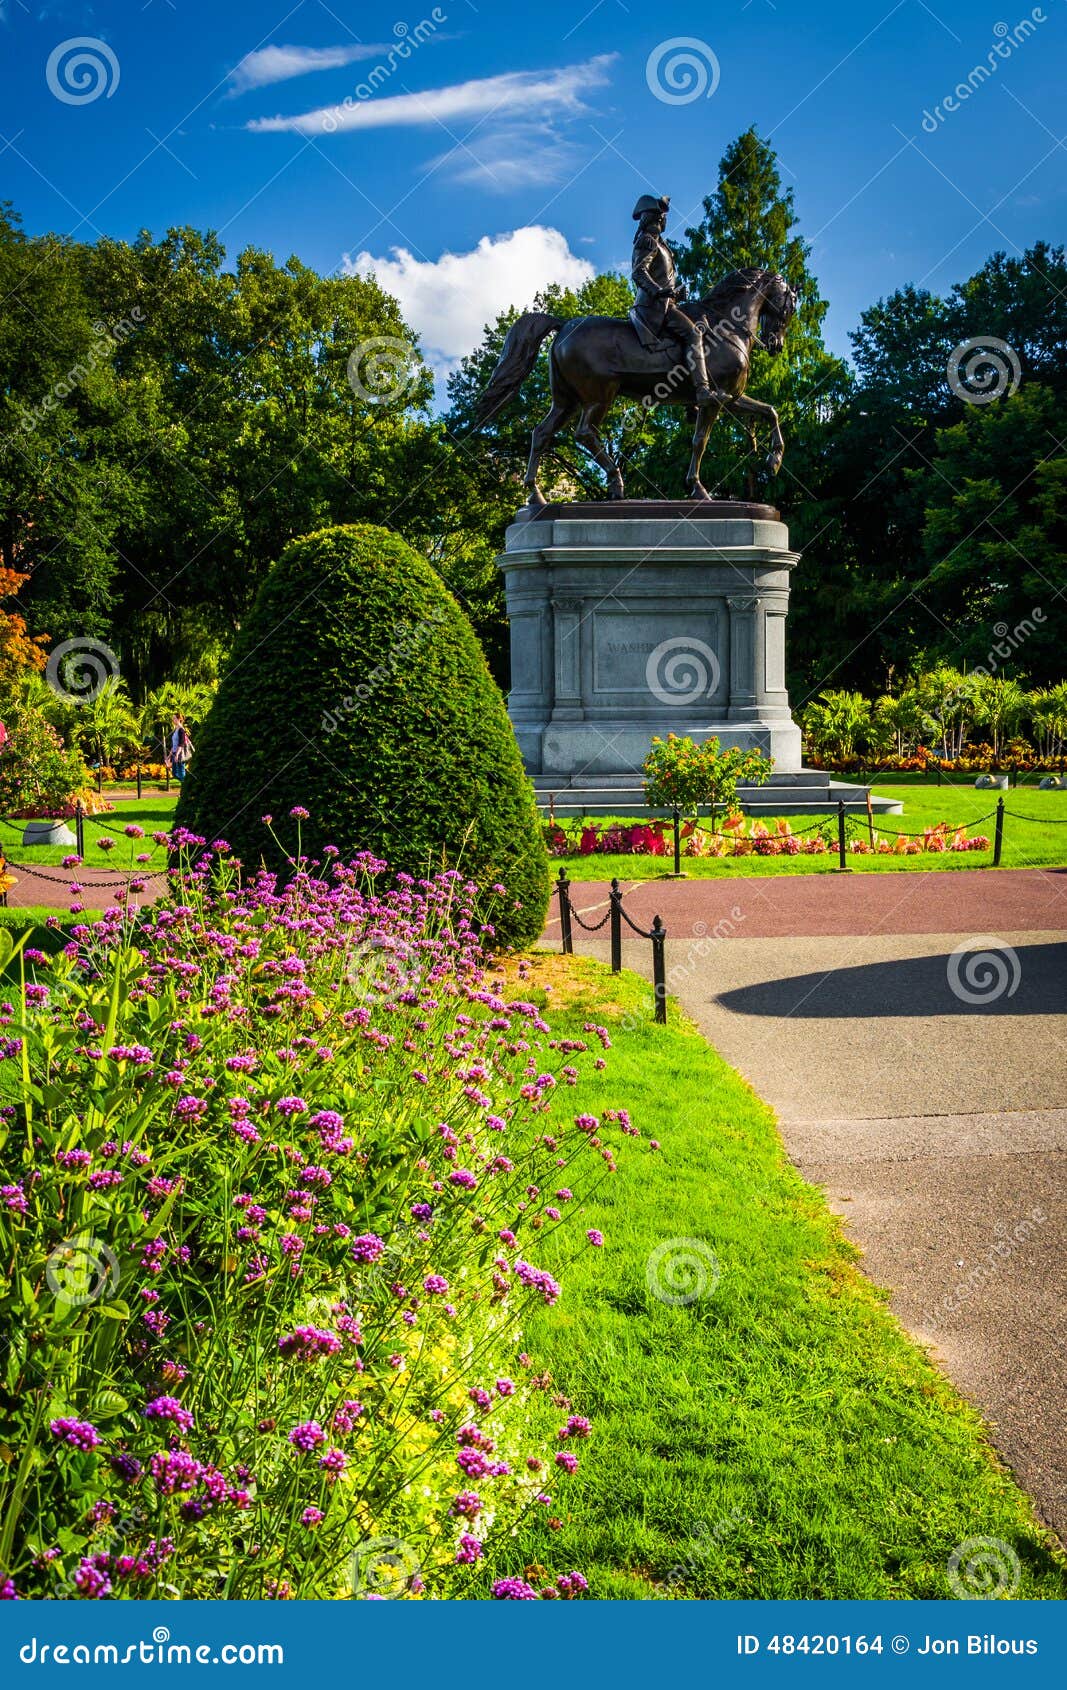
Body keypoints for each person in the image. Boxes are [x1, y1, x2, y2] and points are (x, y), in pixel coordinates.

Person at [629, 193, 714, 405]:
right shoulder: (648, 241)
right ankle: (702, 391)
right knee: (694, 334)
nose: (663, 221)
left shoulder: (661, 244)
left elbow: (661, 279)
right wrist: (659, 291)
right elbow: (639, 272)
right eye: (659, 218)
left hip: (666, 304)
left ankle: (688, 398)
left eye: (663, 218)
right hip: (653, 308)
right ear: (652, 219)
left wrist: (675, 293)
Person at [169, 713, 194, 784]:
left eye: (174, 718)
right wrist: (169, 755)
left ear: (179, 719)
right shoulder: (175, 730)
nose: (173, 720)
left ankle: (185, 786)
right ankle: (186, 783)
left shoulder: (181, 730)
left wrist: (177, 754)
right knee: (174, 773)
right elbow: (173, 745)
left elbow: (181, 744)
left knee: (181, 771)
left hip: (180, 754)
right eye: (172, 718)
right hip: (174, 753)